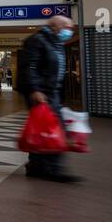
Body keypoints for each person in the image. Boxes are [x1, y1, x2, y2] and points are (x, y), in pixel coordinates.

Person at [19, 15, 81, 183]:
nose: (69, 31)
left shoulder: (54, 42)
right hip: (42, 92)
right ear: (55, 26)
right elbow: (30, 66)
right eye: (67, 27)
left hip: (51, 91)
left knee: (42, 127)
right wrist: (34, 89)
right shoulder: (37, 40)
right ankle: (54, 168)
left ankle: (36, 166)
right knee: (55, 127)